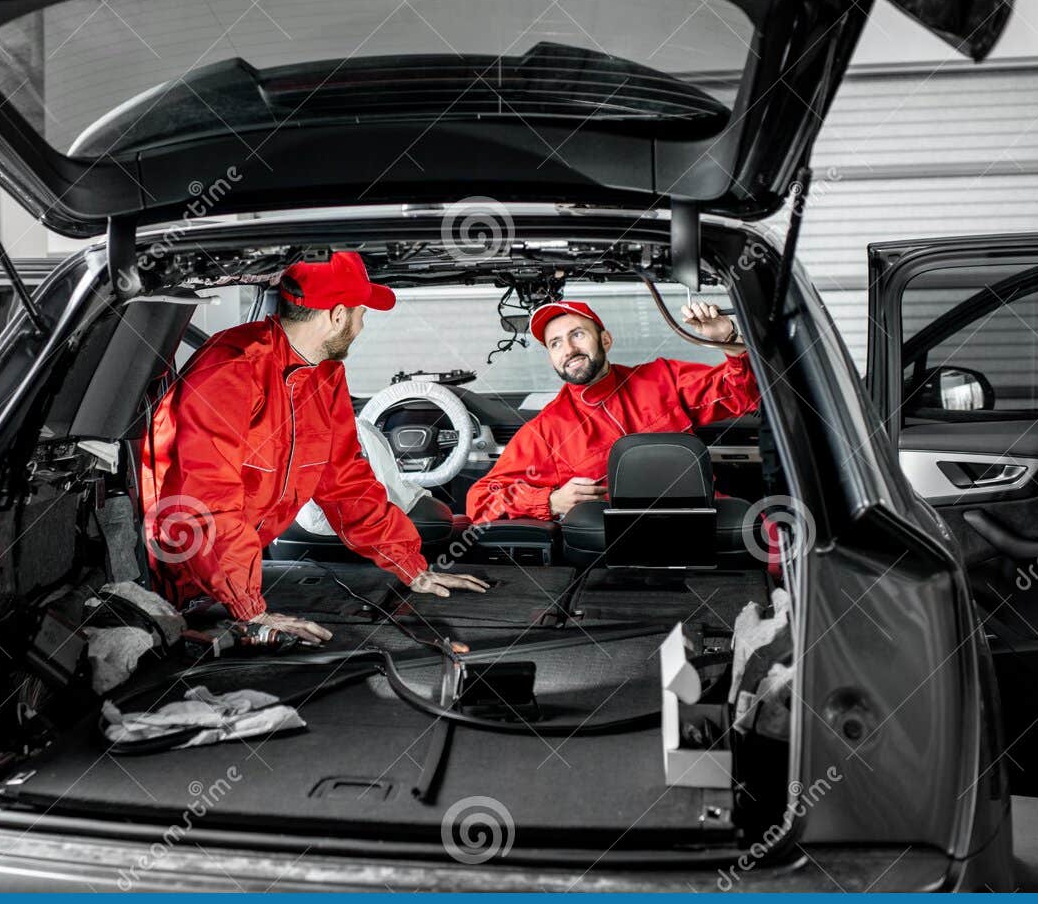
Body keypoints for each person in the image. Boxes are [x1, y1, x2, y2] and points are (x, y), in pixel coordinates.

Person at [142, 250, 488, 644]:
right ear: (337, 316)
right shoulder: (233, 369)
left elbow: (345, 481)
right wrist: (250, 610)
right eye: (361, 314)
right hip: (171, 575)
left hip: (227, 574)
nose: (361, 325)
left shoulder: (325, 375)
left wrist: (411, 566)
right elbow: (207, 499)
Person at [466, 298, 759, 523]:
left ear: (605, 340)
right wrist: (551, 501)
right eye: (555, 343)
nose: (568, 349)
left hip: (703, 520)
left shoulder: (662, 379)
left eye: (577, 334)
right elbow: (480, 502)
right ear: (551, 358)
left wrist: (729, 341)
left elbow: (745, 395)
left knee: (773, 541)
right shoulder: (546, 429)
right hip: (613, 548)